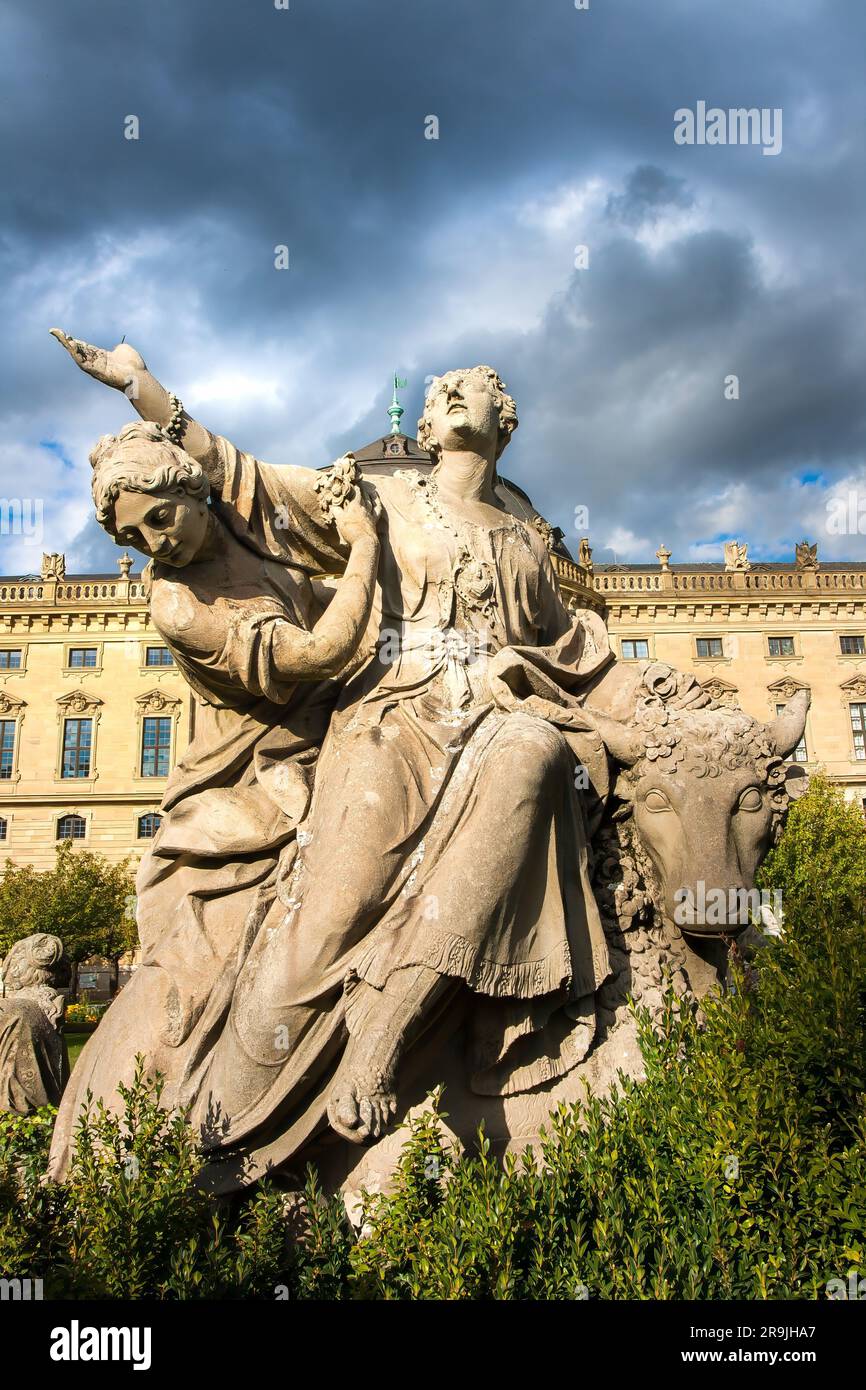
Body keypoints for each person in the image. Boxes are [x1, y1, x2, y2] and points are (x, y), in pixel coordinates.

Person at [47, 383, 380, 1180]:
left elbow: (212, 450)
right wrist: (365, 547)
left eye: (160, 519)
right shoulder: (176, 602)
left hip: (333, 720)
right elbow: (312, 658)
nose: (154, 544)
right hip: (252, 776)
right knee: (228, 950)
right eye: (134, 538)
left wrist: (139, 384)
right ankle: (196, 1128)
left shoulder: (229, 510)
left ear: (188, 492)